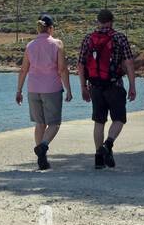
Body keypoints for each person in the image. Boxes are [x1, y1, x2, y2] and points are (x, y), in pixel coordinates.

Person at [79, 9, 136, 169]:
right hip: (114, 85)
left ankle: (98, 157)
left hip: (95, 86)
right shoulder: (119, 37)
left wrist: (83, 86)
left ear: (98, 21)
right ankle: (108, 144)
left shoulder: (88, 39)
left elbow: (81, 64)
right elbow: (129, 63)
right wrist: (132, 85)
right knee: (119, 119)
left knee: (99, 121)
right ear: (111, 21)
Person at [16, 15, 72, 170]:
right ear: (51, 28)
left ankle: (42, 159)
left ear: (38, 28)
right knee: (54, 123)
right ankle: (43, 147)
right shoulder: (57, 44)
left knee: (40, 123)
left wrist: (19, 90)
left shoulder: (30, 45)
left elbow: (23, 70)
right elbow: (62, 69)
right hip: (51, 89)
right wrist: (68, 89)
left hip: (33, 89)